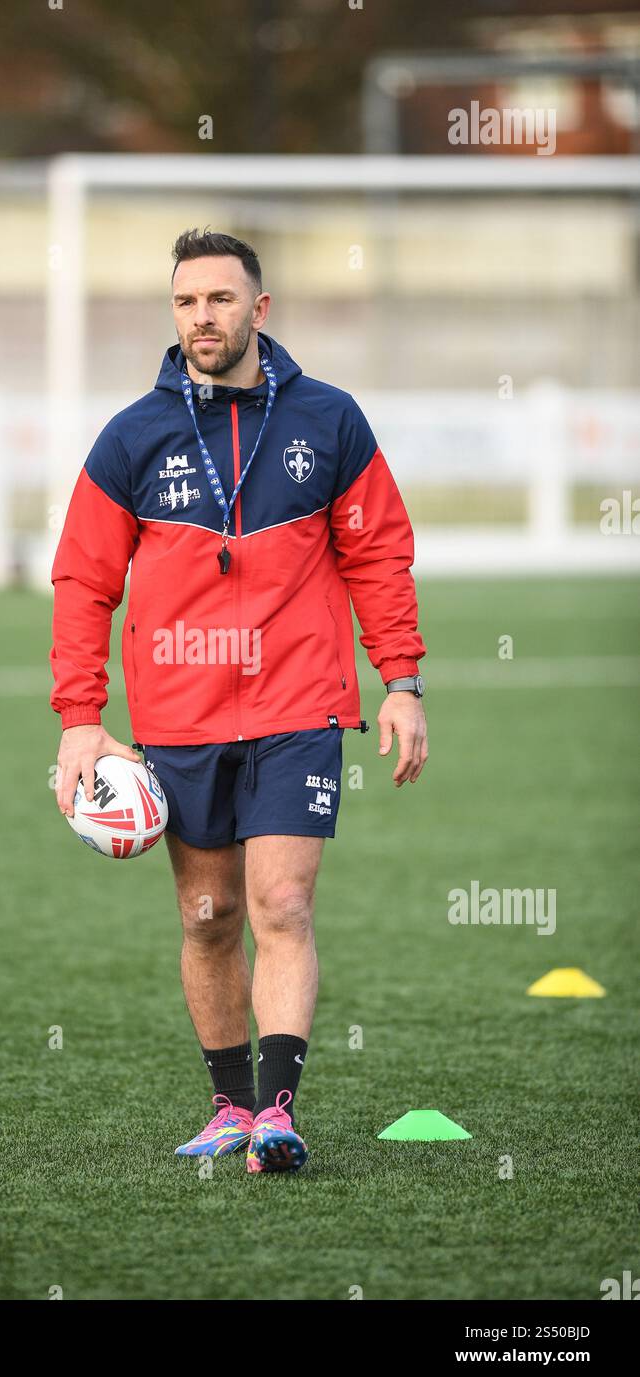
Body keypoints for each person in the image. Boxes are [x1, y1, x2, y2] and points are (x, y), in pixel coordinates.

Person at [50, 228, 427, 1174]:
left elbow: (378, 552)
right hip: (179, 718)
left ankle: (279, 1113)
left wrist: (403, 681)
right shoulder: (132, 435)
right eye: (186, 302)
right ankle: (229, 1105)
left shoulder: (331, 419)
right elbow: (82, 581)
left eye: (220, 300)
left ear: (259, 310)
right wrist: (81, 719)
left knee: (284, 905)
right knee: (209, 918)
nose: (202, 318)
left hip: (300, 706)